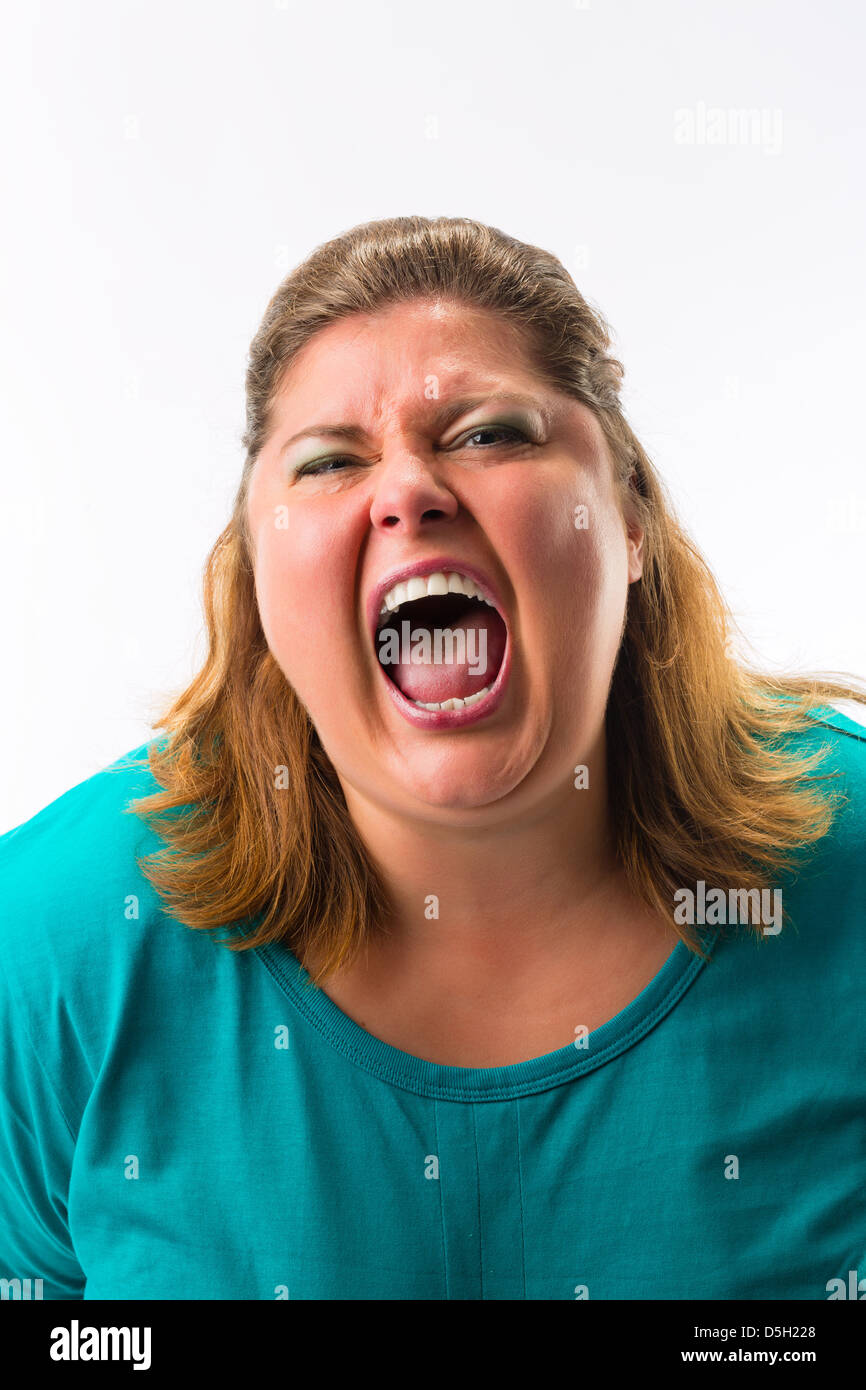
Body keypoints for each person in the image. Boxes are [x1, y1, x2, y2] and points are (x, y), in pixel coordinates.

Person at [1, 215, 865, 1301]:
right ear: (257, 576)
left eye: (490, 434)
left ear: (629, 521)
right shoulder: (53, 942)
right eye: (327, 461)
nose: (406, 491)